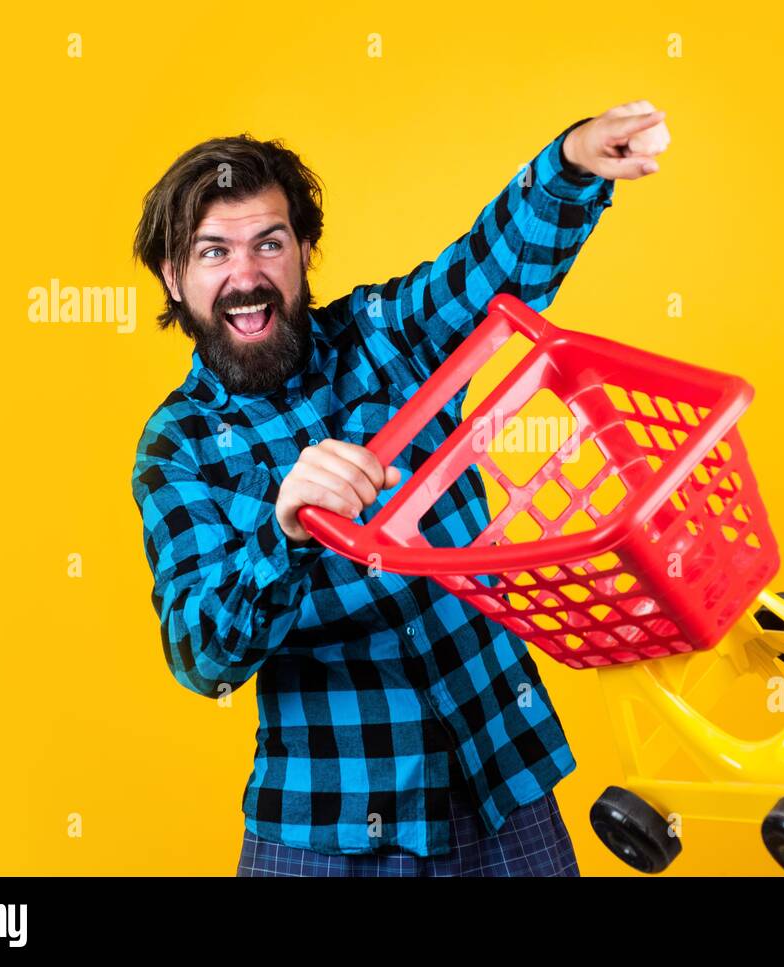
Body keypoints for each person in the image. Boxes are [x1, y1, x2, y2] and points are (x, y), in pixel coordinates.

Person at [129, 102, 670, 877]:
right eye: (212, 252)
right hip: (324, 823)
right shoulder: (176, 447)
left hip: (499, 783)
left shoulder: (388, 335)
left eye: (269, 243)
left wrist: (573, 164)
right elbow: (201, 655)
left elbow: (492, 270)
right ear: (173, 277)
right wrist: (284, 533)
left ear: (305, 252)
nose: (245, 276)